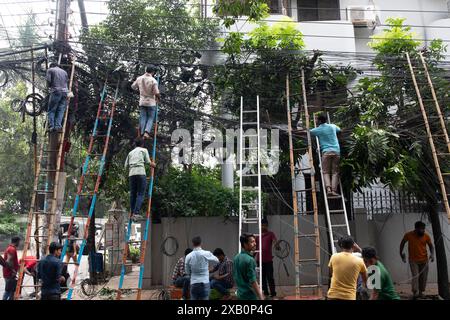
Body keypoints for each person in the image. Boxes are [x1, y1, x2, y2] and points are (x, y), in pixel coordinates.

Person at [399, 221, 434, 299]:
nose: (423, 231)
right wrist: (401, 254)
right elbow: (402, 243)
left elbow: (431, 246)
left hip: (424, 260)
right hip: (413, 260)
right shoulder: (408, 235)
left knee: (423, 277)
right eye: (421, 229)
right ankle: (415, 292)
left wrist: (432, 254)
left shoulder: (426, 236)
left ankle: (421, 292)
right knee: (415, 276)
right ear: (416, 229)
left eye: (424, 229)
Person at [327, 235, 368, 300]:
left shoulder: (334, 257)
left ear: (341, 245)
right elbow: (365, 280)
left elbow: (331, 273)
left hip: (333, 295)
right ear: (353, 245)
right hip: (349, 296)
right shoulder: (359, 260)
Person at [310, 114, 341, 196]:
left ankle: (328, 189)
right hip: (336, 151)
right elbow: (339, 130)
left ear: (320, 121)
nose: (316, 121)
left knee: (325, 172)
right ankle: (334, 190)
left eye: (317, 120)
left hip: (326, 152)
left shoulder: (318, 129)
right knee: (335, 172)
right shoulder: (333, 126)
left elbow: (309, 132)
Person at [124, 138, 155, 221]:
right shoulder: (144, 150)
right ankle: (136, 213)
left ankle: (132, 212)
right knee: (141, 193)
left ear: (135, 144)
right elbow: (148, 162)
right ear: (142, 144)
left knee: (133, 194)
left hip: (131, 174)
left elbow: (125, 165)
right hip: (140, 172)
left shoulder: (130, 153)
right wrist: (153, 164)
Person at [131, 64, 161, 139]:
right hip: (151, 102)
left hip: (142, 102)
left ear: (145, 70)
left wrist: (139, 89)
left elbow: (133, 87)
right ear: (153, 72)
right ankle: (146, 133)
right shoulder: (153, 80)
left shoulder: (139, 78)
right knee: (150, 118)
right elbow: (156, 93)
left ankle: (141, 133)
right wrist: (159, 99)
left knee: (143, 117)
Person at [233, 233, 265, 300]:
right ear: (245, 244)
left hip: (240, 295)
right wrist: (260, 296)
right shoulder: (250, 260)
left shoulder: (236, 257)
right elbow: (253, 281)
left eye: (255, 241)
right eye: (252, 242)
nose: (255, 244)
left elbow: (235, 276)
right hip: (250, 296)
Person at [255, 218, 278, 298]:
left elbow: (275, 242)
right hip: (259, 260)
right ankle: (265, 293)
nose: (263, 227)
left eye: (265, 225)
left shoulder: (271, 234)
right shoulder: (257, 236)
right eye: (262, 225)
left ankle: (273, 294)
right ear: (260, 226)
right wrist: (252, 258)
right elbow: (255, 248)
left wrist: (276, 245)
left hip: (268, 260)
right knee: (262, 278)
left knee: (270, 277)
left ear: (267, 226)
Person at [46, 62, 69, 132]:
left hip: (56, 91)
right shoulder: (64, 72)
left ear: (51, 66)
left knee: (51, 110)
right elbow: (66, 83)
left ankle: (52, 126)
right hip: (65, 93)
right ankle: (58, 126)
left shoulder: (50, 70)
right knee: (60, 110)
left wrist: (49, 86)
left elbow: (48, 81)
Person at [2, 236, 20, 300]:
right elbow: (8, 261)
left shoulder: (11, 248)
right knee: (8, 291)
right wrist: (13, 271)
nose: (19, 243)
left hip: (10, 273)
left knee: (12, 291)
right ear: (17, 242)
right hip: (9, 274)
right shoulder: (11, 249)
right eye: (19, 242)